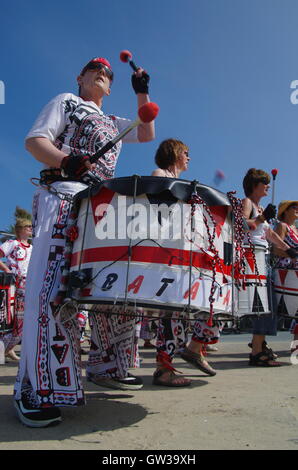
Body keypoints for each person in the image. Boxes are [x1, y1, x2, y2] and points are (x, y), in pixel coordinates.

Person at [14, 56, 155, 427]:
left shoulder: (113, 122)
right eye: (95, 69)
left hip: (100, 210)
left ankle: (103, 368)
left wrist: (142, 93)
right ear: (80, 77)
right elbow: (35, 141)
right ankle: (33, 388)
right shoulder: (66, 102)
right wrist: (65, 161)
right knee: (51, 292)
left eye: (108, 73)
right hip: (63, 195)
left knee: (98, 296)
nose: (103, 73)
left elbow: (146, 132)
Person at [151, 139, 219, 387]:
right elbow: (160, 211)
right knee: (170, 312)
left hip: (187, 250)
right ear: (175, 153)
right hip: (168, 251)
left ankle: (193, 349)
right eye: (186, 153)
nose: (189, 157)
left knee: (206, 304)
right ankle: (163, 368)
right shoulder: (160, 174)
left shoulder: (184, 182)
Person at [242, 169, 297, 367]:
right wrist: (261, 219)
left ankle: (260, 346)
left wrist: (289, 249)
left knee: (268, 305)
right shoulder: (247, 202)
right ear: (255, 185)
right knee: (264, 305)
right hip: (252, 258)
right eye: (264, 183)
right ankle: (257, 351)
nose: (268, 186)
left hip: (262, 260)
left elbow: (270, 235)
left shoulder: (260, 206)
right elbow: (239, 225)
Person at [0, 218, 32, 361]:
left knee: (23, 322)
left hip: (28, 286)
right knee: (10, 320)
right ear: (20, 229)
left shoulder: (32, 248)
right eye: (28, 227)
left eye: (31, 227)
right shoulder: (12, 244)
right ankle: (5, 350)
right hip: (13, 286)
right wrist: (7, 269)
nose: (31, 229)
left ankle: (9, 349)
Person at [273, 200, 298, 353]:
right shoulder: (282, 226)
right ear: (285, 211)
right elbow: (276, 249)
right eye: (294, 207)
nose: (297, 210)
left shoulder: (296, 229)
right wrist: (292, 253)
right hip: (287, 271)